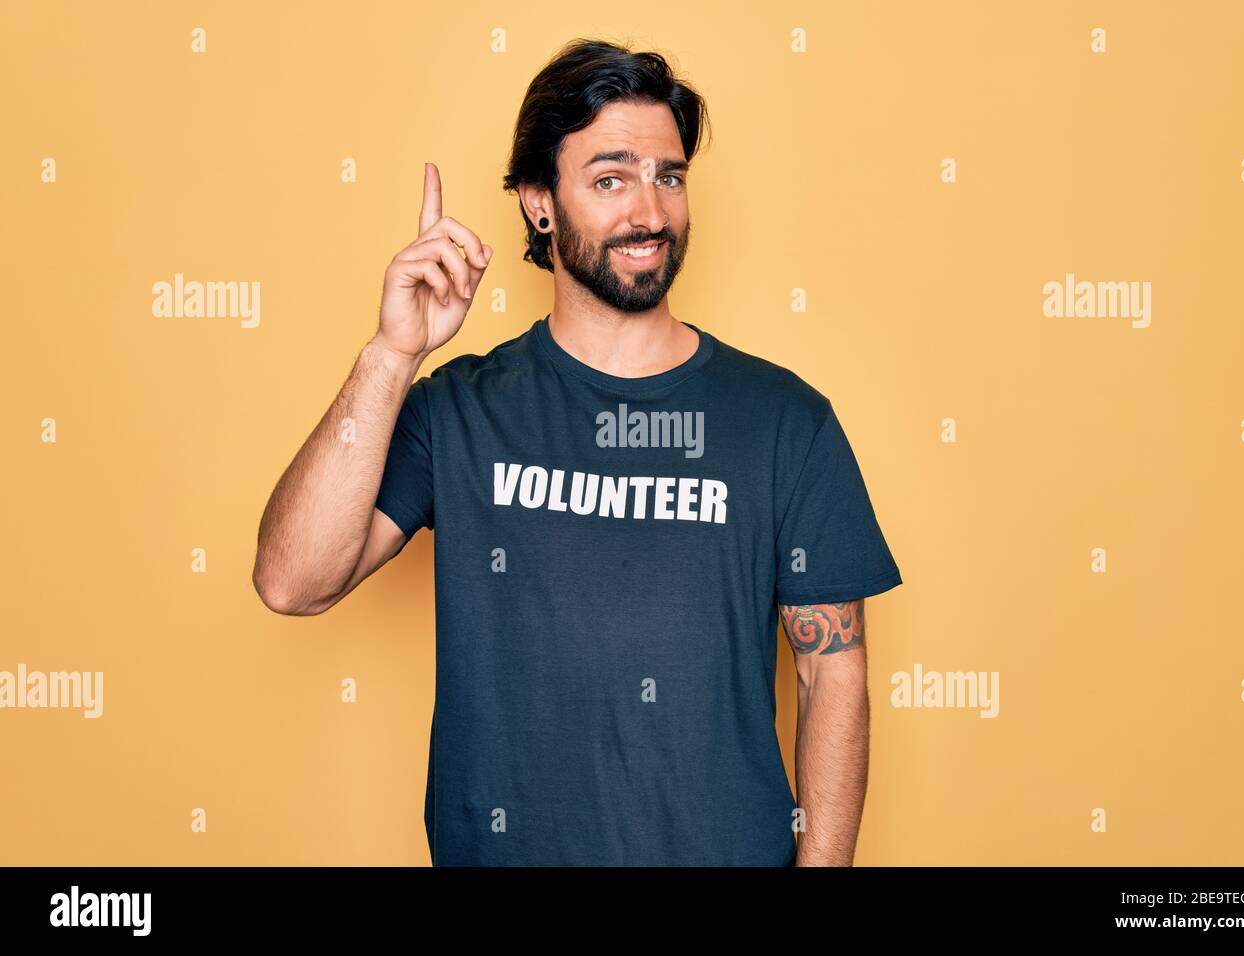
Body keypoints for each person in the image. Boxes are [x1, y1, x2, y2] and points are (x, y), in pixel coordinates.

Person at [252, 38, 902, 867]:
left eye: (668, 175)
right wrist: (391, 354)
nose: (649, 212)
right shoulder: (457, 411)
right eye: (610, 178)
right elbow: (292, 582)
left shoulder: (784, 422)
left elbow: (832, 676)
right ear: (538, 203)